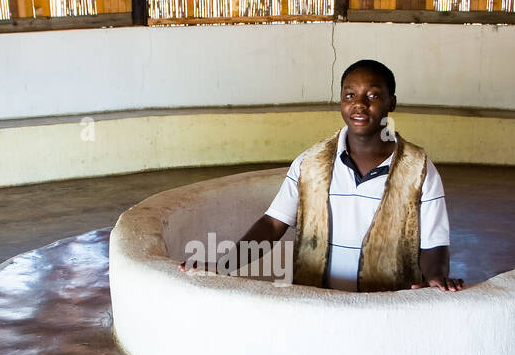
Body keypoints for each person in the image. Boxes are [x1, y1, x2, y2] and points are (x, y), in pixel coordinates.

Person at [182, 58, 462, 292]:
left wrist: (435, 276)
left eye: (373, 95)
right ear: (341, 101)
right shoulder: (310, 163)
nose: (359, 104)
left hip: (385, 310)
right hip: (317, 307)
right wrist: (223, 266)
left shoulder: (418, 168)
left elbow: (434, 245)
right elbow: (272, 225)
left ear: (392, 103)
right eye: (350, 95)